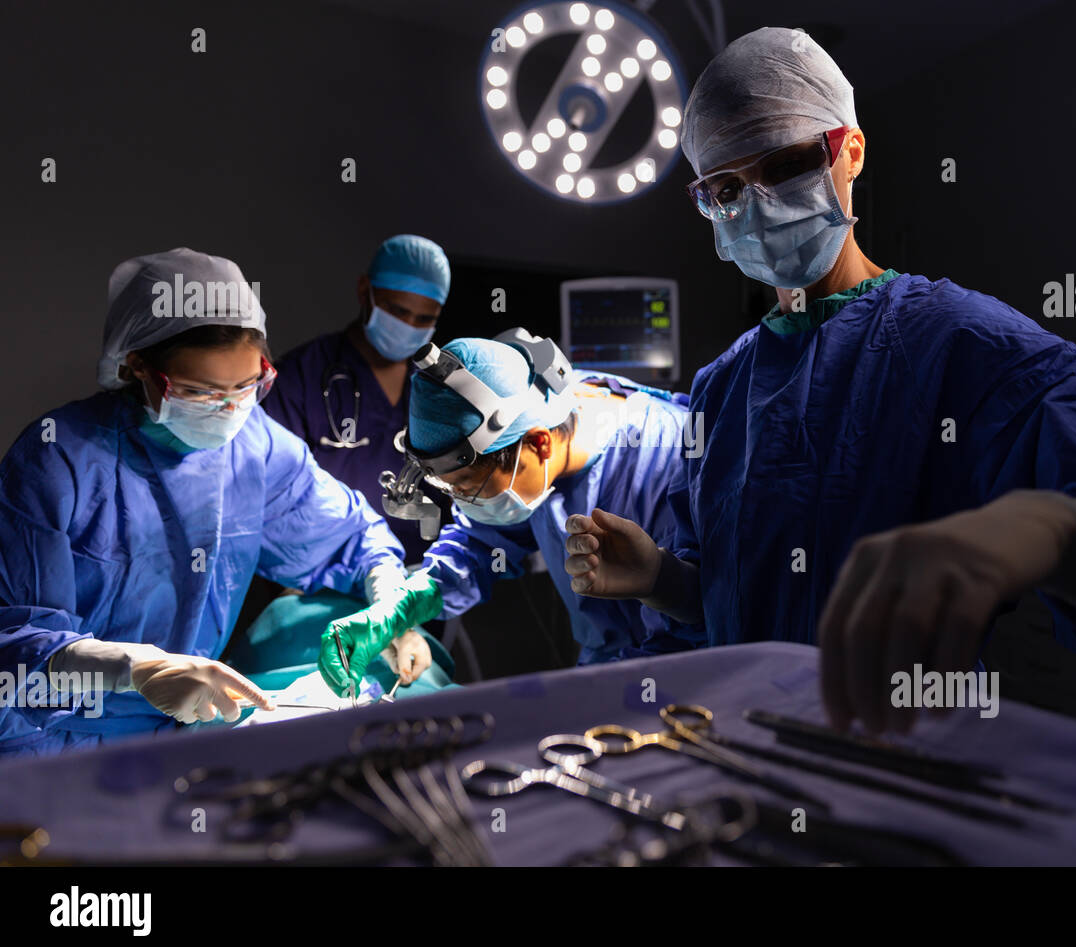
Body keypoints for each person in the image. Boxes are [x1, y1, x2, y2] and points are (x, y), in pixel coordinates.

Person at [562, 27, 1076, 735]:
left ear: (848, 152)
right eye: (725, 187)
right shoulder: (723, 389)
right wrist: (663, 578)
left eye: (784, 166)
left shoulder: (968, 347)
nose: (754, 205)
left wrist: (1058, 528)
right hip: (748, 755)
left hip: (908, 768)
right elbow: (743, 610)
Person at [0, 248, 441, 758]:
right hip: (47, 745)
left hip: (182, 734)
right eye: (201, 393)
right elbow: (14, 642)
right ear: (136, 366)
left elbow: (354, 538)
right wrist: (135, 671)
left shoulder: (256, 447)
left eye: (247, 386)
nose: (230, 411)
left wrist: (391, 612)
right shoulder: (58, 458)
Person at [317, 332, 705, 696]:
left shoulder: (668, 460)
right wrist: (402, 605)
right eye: (452, 489)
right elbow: (480, 542)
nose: (463, 501)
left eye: (469, 486)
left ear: (539, 444)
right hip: (605, 672)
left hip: (689, 681)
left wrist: (606, 702)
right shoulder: (535, 412)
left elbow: (699, 621)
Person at [262, 234, 451, 563]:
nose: (408, 326)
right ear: (365, 291)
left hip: (420, 576)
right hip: (324, 580)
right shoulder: (300, 377)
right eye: (397, 311)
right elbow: (270, 496)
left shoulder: (439, 388)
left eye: (424, 320)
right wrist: (292, 591)